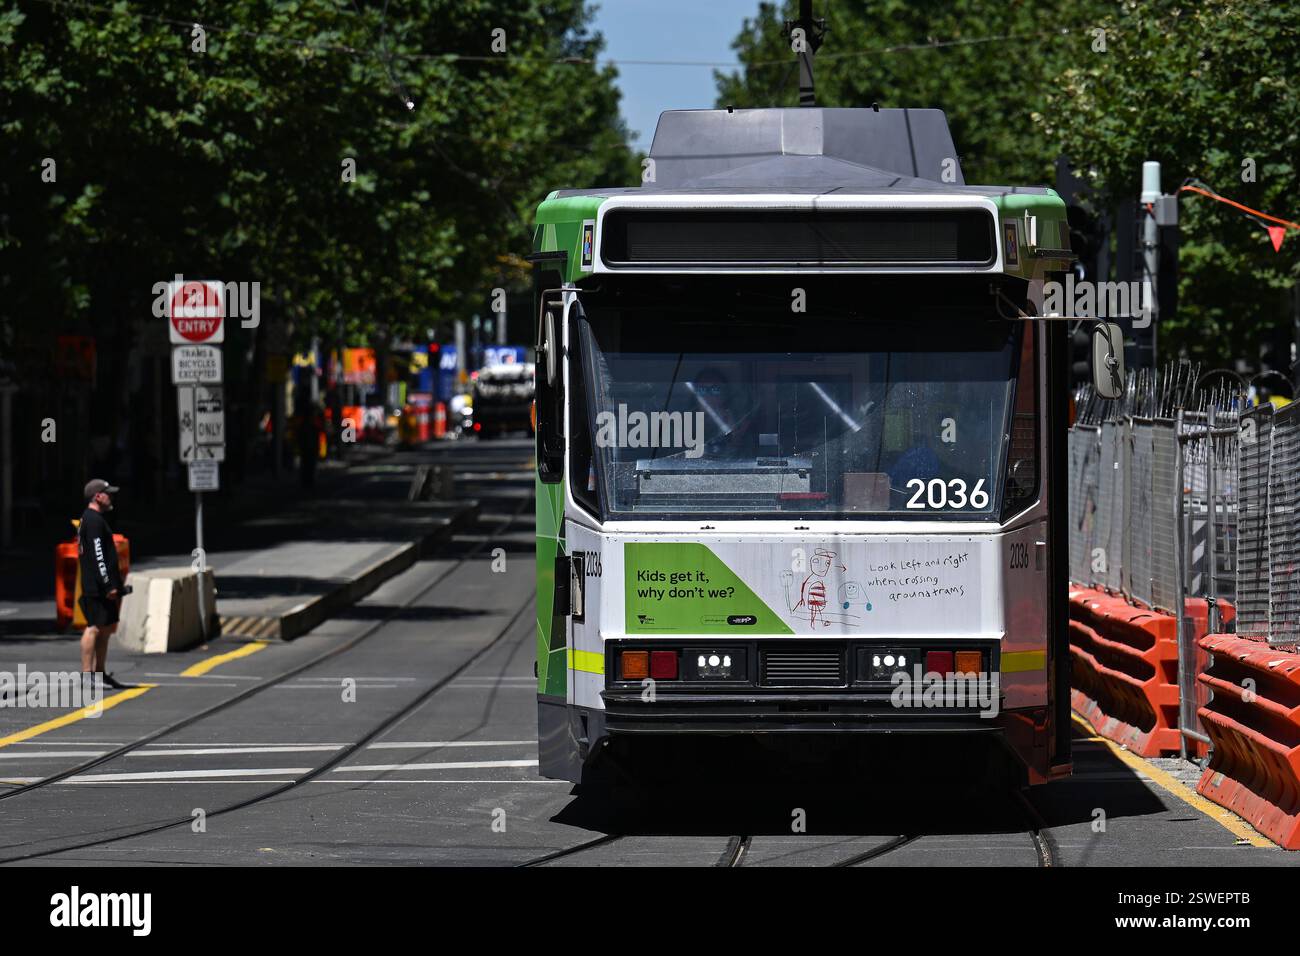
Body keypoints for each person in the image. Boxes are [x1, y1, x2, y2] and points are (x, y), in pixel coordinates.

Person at [77, 479, 130, 690]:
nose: (111, 497)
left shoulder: (92, 519)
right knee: (94, 627)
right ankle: (87, 673)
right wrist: (108, 585)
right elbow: (98, 556)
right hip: (97, 586)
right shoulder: (93, 521)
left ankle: (100, 672)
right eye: (108, 494)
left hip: (100, 584)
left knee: (105, 628)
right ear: (98, 496)